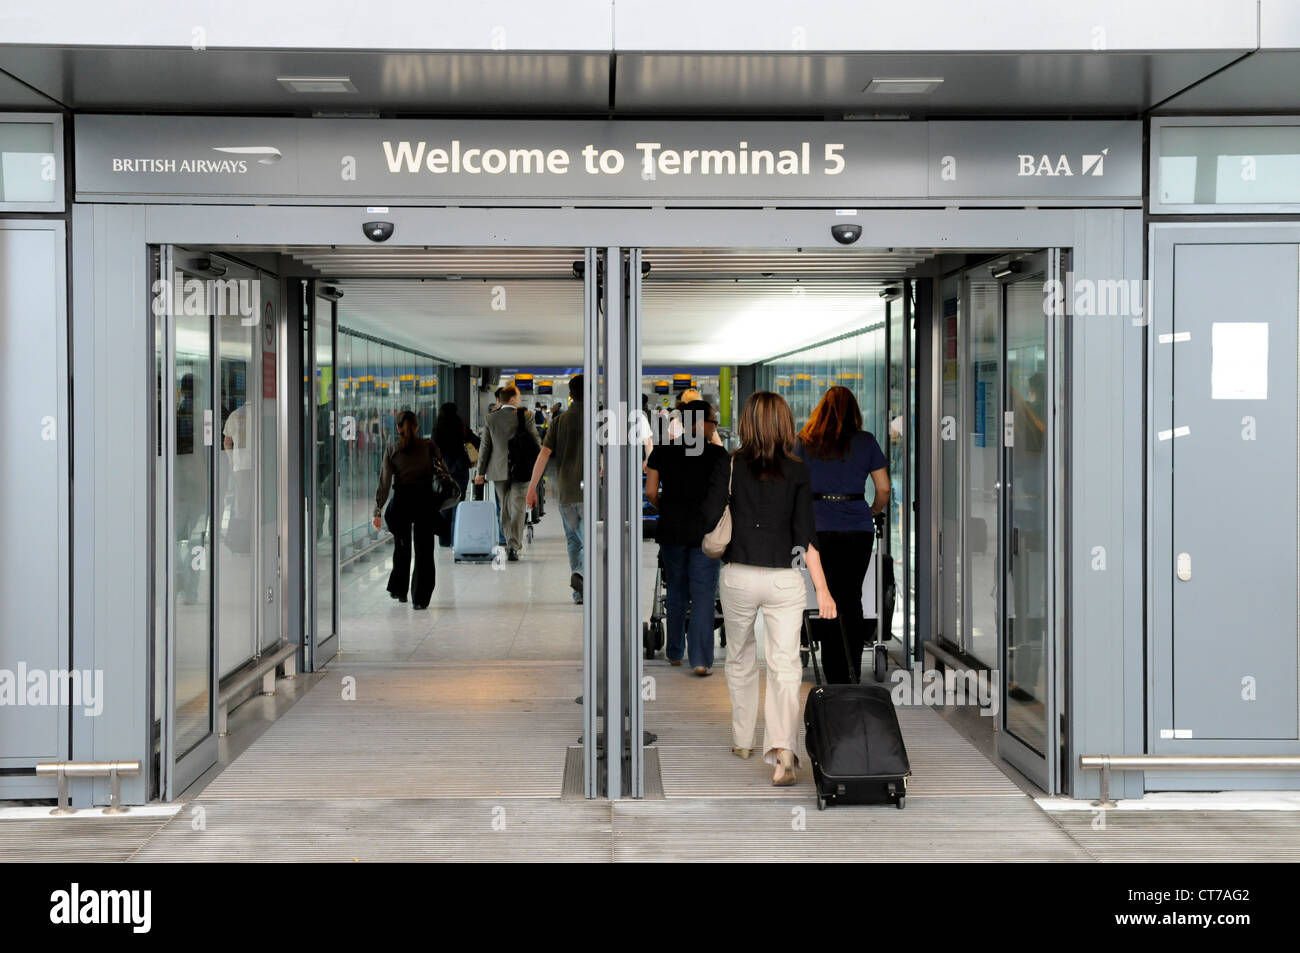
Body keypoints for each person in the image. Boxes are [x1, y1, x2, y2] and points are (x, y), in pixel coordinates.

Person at [701, 390, 836, 787]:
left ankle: (743, 740)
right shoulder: (798, 470)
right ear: (784, 424)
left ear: (746, 423)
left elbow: (708, 518)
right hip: (784, 578)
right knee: (785, 666)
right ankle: (784, 751)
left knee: (740, 656)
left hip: (739, 574)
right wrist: (823, 591)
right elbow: (807, 538)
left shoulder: (729, 464)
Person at [793, 386, 890, 684]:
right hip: (857, 528)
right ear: (855, 412)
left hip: (816, 527)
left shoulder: (805, 441)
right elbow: (884, 488)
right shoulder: (866, 441)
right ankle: (850, 671)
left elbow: (793, 482)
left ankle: (833, 668)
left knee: (826, 595)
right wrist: (872, 509)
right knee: (852, 597)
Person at [645, 399, 728, 674]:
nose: (714, 426)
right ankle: (702, 660)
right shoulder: (718, 455)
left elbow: (651, 493)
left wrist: (666, 508)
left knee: (676, 591)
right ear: (699, 422)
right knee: (704, 594)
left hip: (672, 529)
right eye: (712, 421)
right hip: (705, 532)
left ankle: (675, 652)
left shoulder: (663, 451)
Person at [373, 410, 442, 609]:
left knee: (402, 547)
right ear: (417, 427)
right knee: (424, 551)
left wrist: (377, 510)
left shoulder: (392, 449)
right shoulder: (429, 446)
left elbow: (384, 483)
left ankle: (400, 590)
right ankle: (420, 599)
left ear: (397, 428)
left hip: (402, 502)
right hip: (425, 503)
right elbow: (441, 472)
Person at [526, 374, 585, 603]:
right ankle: (581, 575)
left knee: (574, 540)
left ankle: (579, 591)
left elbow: (544, 454)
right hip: (590, 491)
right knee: (590, 539)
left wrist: (532, 488)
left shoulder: (559, 421)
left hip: (565, 492)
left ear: (570, 395)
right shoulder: (600, 419)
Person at [475, 384, 540, 561]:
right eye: (518, 396)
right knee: (518, 507)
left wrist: (480, 473)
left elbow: (485, 447)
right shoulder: (526, 416)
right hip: (522, 468)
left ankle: (509, 540)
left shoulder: (491, 418)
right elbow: (536, 443)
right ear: (512, 399)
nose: (519, 400)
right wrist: (538, 467)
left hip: (498, 470)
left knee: (504, 507)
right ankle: (514, 546)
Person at [433, 402, 479, 547]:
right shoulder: (460, 425)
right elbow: (475, 441)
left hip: (443, 470)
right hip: (460, 469)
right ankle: (456, 539)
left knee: (444, 504)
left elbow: (434, 449)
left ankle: (444, 540)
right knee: (458, 504)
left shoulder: (437, 428)